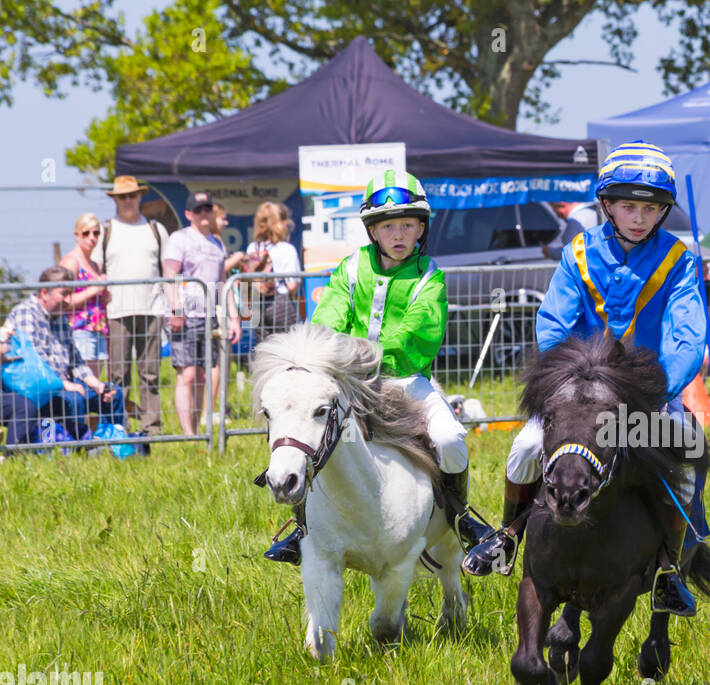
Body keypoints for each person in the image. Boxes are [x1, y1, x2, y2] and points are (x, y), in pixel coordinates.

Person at [462, 141, 709, 617]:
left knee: (679, 471)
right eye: (628, 206)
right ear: (607, 206)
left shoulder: (679, 260)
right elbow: (552, 324)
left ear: (662, 212)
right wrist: (564, 384)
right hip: (578, 394)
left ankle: (666, 573)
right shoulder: (578, 253)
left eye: (650, 208)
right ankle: (509, 537)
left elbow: (687, 337)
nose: (639, 217)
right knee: (523, 451)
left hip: (648, 400)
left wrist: (656, 393)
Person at [261, 170, 494, 565]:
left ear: (422, 228)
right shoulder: (351, 269)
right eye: (388, 226)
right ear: (373, 231)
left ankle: (459, 516)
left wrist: (354, 352)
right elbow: (328, 317)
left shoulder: (430, 277)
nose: (399, 234)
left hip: (406, 382)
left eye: (408, 224)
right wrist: (336, 356)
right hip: (349, 383)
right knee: (303, 426)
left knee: (451, 437)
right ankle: (302, 523)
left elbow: (413, 336)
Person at [1, 266, 125, 439]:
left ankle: (116, 442)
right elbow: (35, 366)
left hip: (63, 383)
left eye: (70, 293)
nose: (69, 300)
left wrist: (96, 384)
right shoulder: (25, 314)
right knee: (74, 398)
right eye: (64, 293)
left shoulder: (59, 315)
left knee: (114, 392)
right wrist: (66, 384)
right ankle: (77, 448)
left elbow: (75, 358)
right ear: (44, 293)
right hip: (38, 390)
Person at [92, 175, 169, 438]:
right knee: (118, 375)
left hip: (151, 308)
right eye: (122, 196)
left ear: (140, 197)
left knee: (150, 373)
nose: (127, 201)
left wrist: (172, 309)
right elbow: (94, 271)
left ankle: (152, 429)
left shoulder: (156, 230)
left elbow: (167, 271)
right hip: (116, 311)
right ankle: (118, 427)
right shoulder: (104, 231)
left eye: (131, 195)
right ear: (115, 200)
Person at [163, 191, 242, 435]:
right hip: (185, 315)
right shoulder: (179, 239)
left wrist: (234, 317)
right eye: (198, 209)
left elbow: (223, 283)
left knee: (201, 377)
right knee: (186, 376)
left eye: (207, 208)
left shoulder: (217, 243)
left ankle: (197, 432)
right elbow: (170, 275)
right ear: (189, 214)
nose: (204, 213)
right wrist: (176, 309)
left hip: (209, 316)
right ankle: (189, 435)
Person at [59, 213, 111, 379]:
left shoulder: (95, 264)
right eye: (86, 233)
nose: (92, 238)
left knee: (94, 385)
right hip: (79, 330)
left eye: (96, 233)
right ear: (77, 235)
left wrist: (105, 293)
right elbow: (63, 302)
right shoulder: (71, 262)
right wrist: (93, 290)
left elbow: (99, 297)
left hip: (98, 329)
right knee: (82, 383)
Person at [245, 200, 302, 336]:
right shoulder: (286, 249)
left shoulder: (253, 248)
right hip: (280, 301)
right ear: (281, 223)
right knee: (288, 344)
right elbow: (292, 284)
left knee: (264, 347)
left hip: (258, 304)